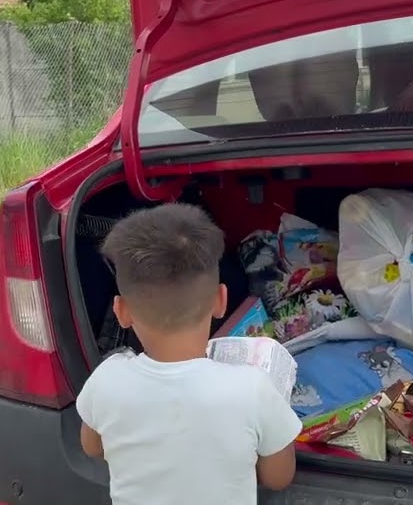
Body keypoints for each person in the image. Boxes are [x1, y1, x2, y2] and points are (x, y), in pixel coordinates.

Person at [76, 203, 301, 504]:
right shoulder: (253, 389)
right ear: (221, 300)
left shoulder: (106, 380)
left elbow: (92, 447)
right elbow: (278, 477)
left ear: (122, 311)